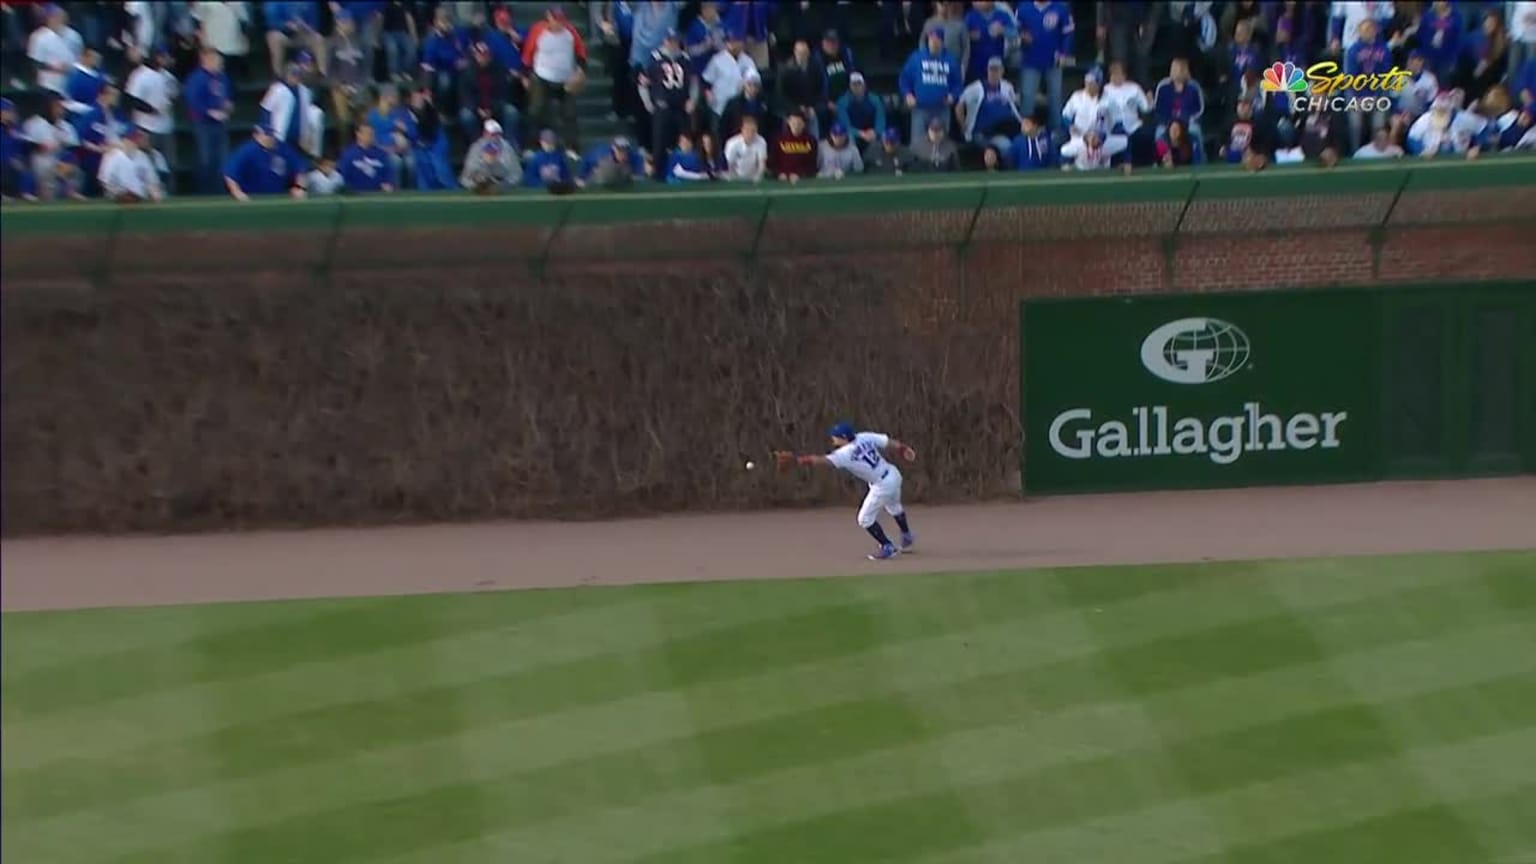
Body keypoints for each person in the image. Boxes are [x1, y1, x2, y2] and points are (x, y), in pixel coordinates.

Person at [771, 421, 919, 561]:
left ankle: (887, 546)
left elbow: (823, 460)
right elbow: (888, 442)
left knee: (864, 519)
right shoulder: (864, 436)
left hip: (882, 484)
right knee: (894, 506)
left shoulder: (845, 453)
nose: (832, 439)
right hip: (892, 473)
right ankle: (907, 537)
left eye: (835, 436)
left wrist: (798, 461)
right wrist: (903, 448)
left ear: (843, 438)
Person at [638, 28, 695, 179]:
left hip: (681, 107)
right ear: (664, 41)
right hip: (662, 106)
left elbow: (694, 81)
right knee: (660, 143)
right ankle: (658, 174)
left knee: (684, 140)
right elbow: (642, 82)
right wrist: (648, 103)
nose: (673, 44)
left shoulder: (685, 59)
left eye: (675, 40)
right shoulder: (655, 58)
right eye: (670, 41)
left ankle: (684, 172)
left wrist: (693, 99)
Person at [899, 23, 962, 145]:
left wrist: (952, 96)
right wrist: (908, 95)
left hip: (942, 109)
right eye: (931, 39)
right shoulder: (916, 57)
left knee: (942, 144)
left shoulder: (950, 60)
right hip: (920, 109)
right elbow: (904, 79)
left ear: (942, 41)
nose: (933, 42)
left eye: (937, 39)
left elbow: (957, 84)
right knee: (918, 145)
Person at [224, 123, 307, 200]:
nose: (270, 138)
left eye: (272, 135)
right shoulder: (247, 150)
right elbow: (230, 173)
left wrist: (299, 187)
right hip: (252, 197)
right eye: (267, 135)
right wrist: (236, 192)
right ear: (256, 135)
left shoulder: (283, 148)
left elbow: (299, 168)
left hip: (279, 196)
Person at [958, 55, 1023, 152]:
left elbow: (1013, 107)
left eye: (996, 70)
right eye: (991, 70)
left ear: (1002, 71)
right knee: (1005, 145)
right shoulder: (976, 88)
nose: (994, 73)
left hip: (1008, 129)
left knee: (1023, 141)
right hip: (984, 133)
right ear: (987, 71)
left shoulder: (1007, 86)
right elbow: (959, 106)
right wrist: (963, 126)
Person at [98, 127, 163, 202]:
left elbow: (152, 181)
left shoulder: (143, 157)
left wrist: (155, 194)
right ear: (124, 140)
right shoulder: (113, 157)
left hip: (141, 200)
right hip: (118, 201)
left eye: (135, 140)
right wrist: (119, 193)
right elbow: (105, 182)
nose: (133, 143)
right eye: (131, 140)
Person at [460, 118, 520, 192]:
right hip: (478, 187)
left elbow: (514, 175)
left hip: (502, 187)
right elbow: (467, 176)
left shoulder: (507, 148)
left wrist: (495, 163)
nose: (495, 137)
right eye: (492, 134)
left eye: (497, 134)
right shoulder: (476, 148)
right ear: (485, 133)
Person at [337, 123, 392, 193]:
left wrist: (388, 184)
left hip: (378, 194)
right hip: (355, 195)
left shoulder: (382, 154)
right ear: (358, 134)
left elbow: (389, 174)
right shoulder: (348, 154)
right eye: (368, 133)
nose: (371, 136)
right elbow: (343, 176)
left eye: (372, 134)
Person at [723, 113, 767, 180]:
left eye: (753, 131)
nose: (751, 133)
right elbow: (729, 165)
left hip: (753, 177)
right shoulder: (732, 143)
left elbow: (761, 164)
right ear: (742, 130)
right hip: (735, 176)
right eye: (748, 130)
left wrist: (757, 177)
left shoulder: (761, 141)